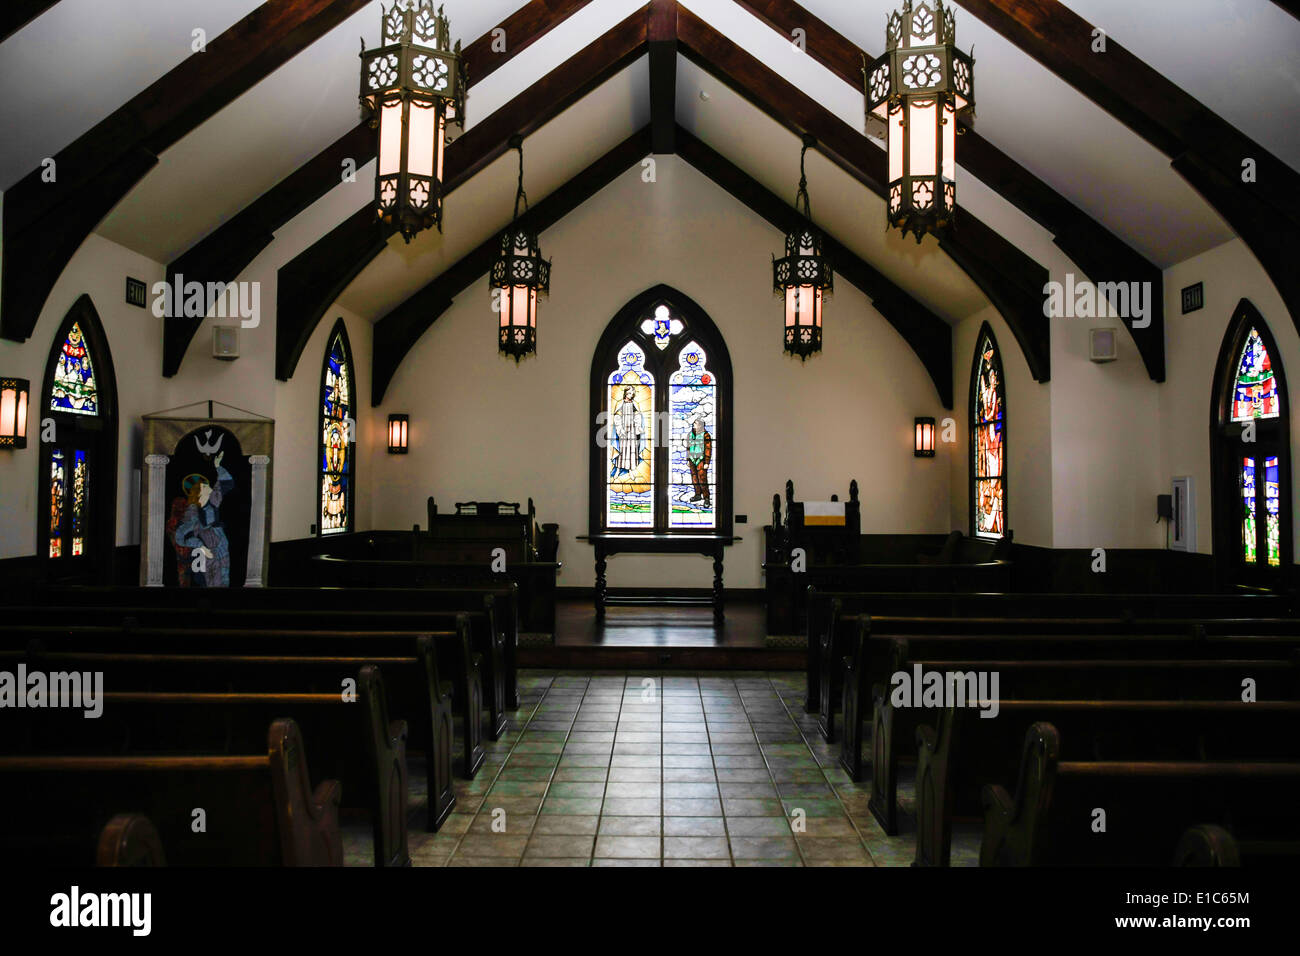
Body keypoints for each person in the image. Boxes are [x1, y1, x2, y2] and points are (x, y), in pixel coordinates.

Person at [173, 451, 235, 587]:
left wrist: (218, 466)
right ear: (199, 493)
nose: (210, 486)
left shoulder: (213, 501)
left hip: (222, 546)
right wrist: (200, 546)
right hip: (207, 550)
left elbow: (227, 484)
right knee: (210, 581)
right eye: (205, 486)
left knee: (224, 579)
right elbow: (179, 535)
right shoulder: (192, 512)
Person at [611, 385, 643, 478]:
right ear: (625, 393)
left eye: (632, 393)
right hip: (623, 430)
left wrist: (637, 426)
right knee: (621, 450)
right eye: (629, 393)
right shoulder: (620, 404)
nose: (631, 395)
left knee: (631, 450)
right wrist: (620, 429)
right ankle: (618, 469)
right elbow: (617, 417)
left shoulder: (634, 404)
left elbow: (638, 416)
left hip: (632, 430)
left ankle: (630, 470)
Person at [686, 417, 712, 506]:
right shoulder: (690, 435)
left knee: (702, 479)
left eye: (695, 423)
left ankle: (706, 497)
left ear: (700, 425)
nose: (693, 425)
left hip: (701, 459)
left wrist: (707, 462)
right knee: (694, 478)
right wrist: (688, 459)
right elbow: (688, 448)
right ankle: (698, 494)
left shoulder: (706, 435)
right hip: (692, 459)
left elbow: (708, 449)